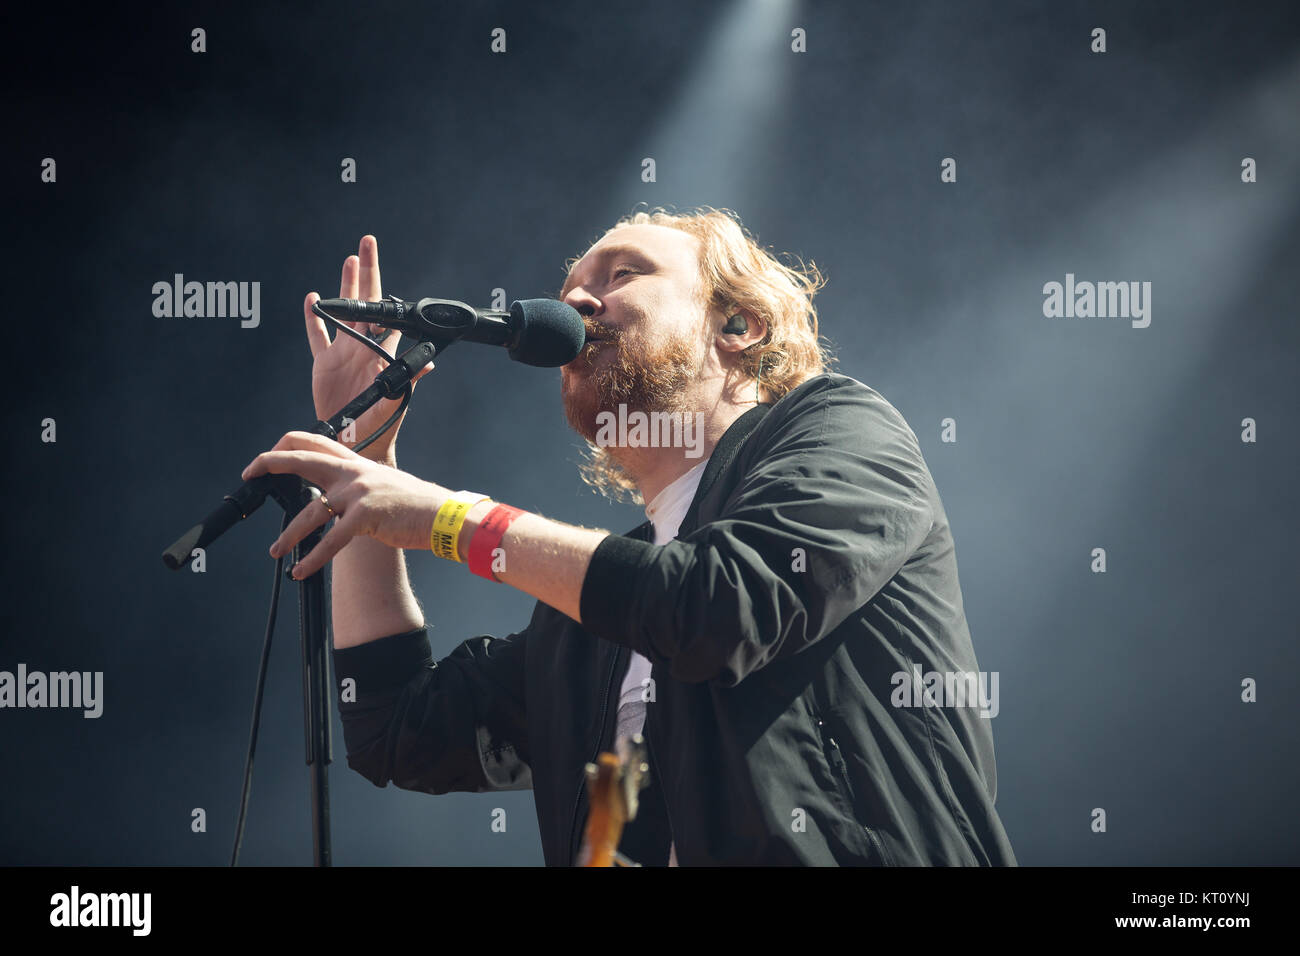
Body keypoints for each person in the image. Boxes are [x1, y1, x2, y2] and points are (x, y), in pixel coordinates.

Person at [241, 207, 1017, 866]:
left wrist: (446, 518)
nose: (577, 296)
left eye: (621, 273)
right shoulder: (589, 621)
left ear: (738, 324)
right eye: (571, 283)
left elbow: (718, 606)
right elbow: (399, 732)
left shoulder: (844, 428)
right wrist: (369, 456)